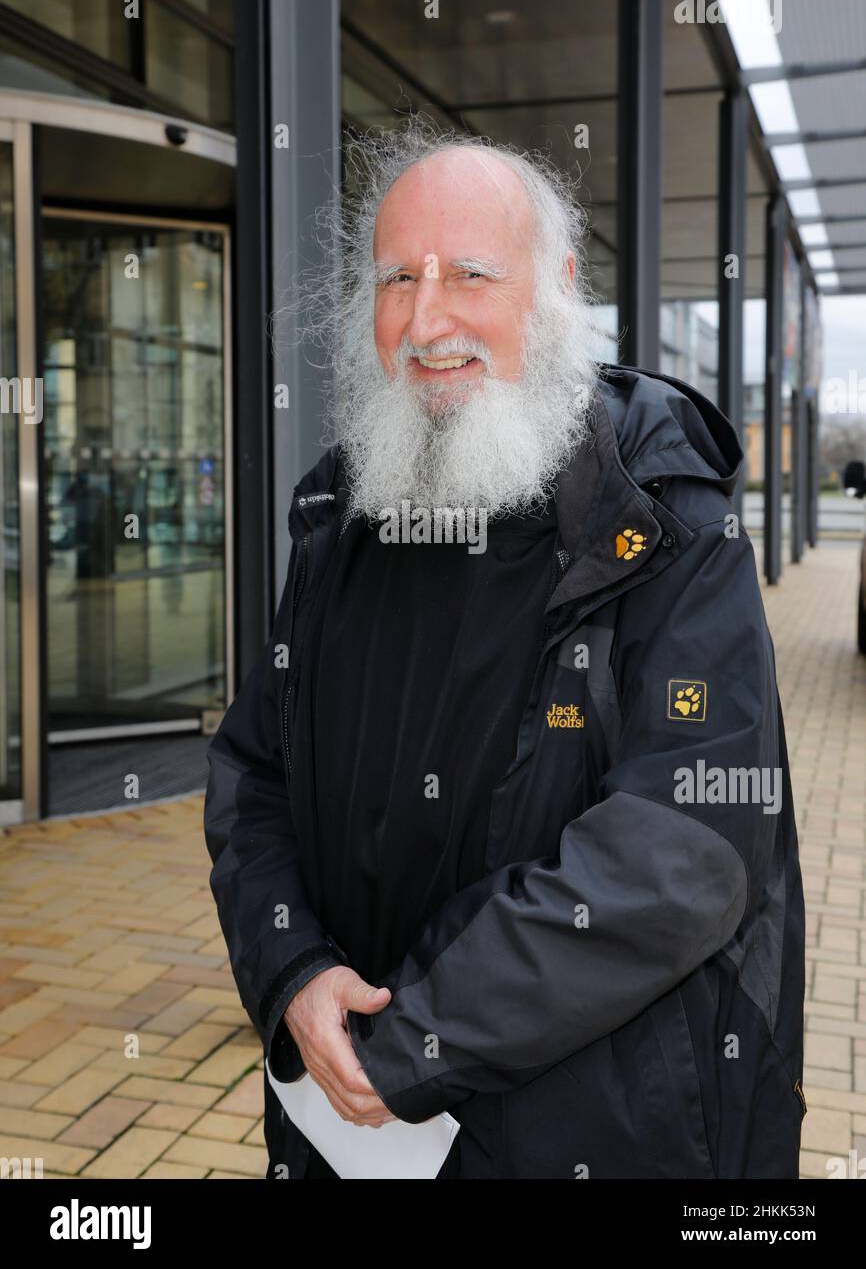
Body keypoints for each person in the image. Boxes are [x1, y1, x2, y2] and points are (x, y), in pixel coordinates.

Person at [203, 120, 806, 1179]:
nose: (426, 318)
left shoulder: (665, 522)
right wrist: (292, 968)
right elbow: (254, 772)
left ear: (556, 288)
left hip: (592, 1137)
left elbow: (683, 855)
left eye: (470, 274)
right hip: (342, 1127)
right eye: (397, 277)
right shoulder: (342, 514)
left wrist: (402, 1043)